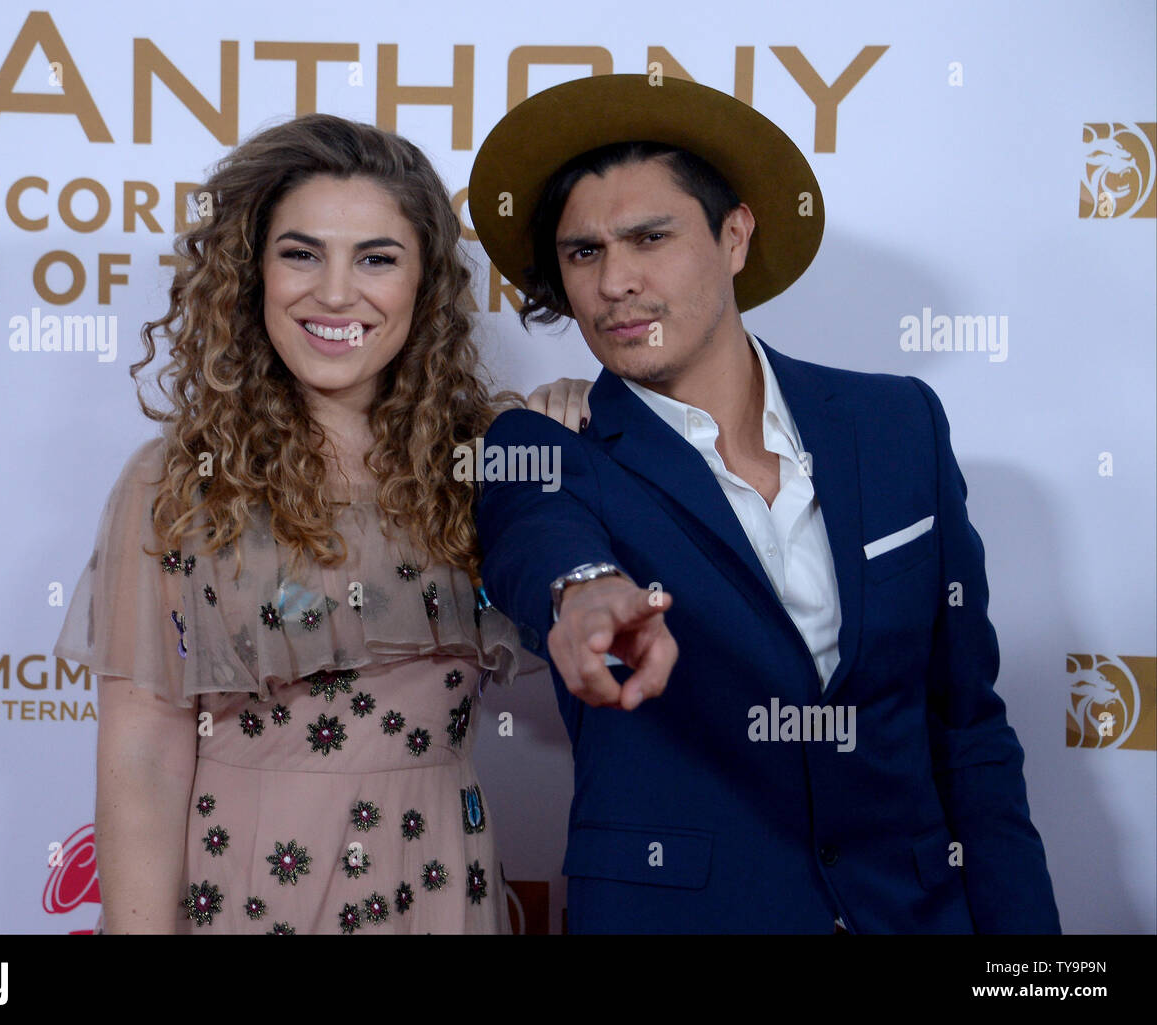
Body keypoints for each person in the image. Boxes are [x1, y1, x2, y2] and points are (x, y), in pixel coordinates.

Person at [469, 75, 1061, 933]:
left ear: (735, 235)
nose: (615, 282)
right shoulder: (547, 449)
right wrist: (589, 591)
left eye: (649, 237)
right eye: (584, 253)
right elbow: (540, 542)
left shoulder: (897, 422)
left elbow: (967, 731)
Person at [53, 113, 578, 934]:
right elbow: (142, 757)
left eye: (377, 257)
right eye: (301, 253)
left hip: (438, 883)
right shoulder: (180, 481)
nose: (335, 292)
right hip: (251, 888)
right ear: (251, 273)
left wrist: (567, 413)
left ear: (425, 284)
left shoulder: (486, 463)